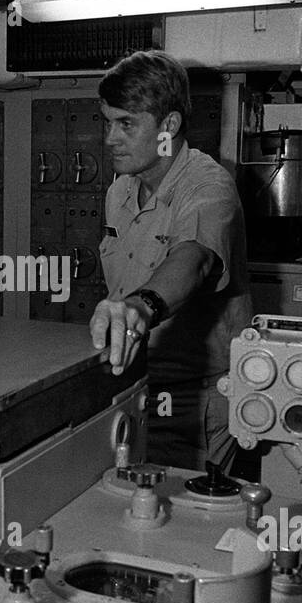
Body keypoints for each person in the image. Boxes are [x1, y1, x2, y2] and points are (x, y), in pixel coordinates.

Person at [89, 50, 254, 471]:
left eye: (126, 123)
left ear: (169, 126)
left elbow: (193, 259)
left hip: (193, 399)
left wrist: (139, 308)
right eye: (108, 122)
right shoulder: (120, 191)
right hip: (134, 384)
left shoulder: (208, 185)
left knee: (183, 523)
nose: (110, 138)